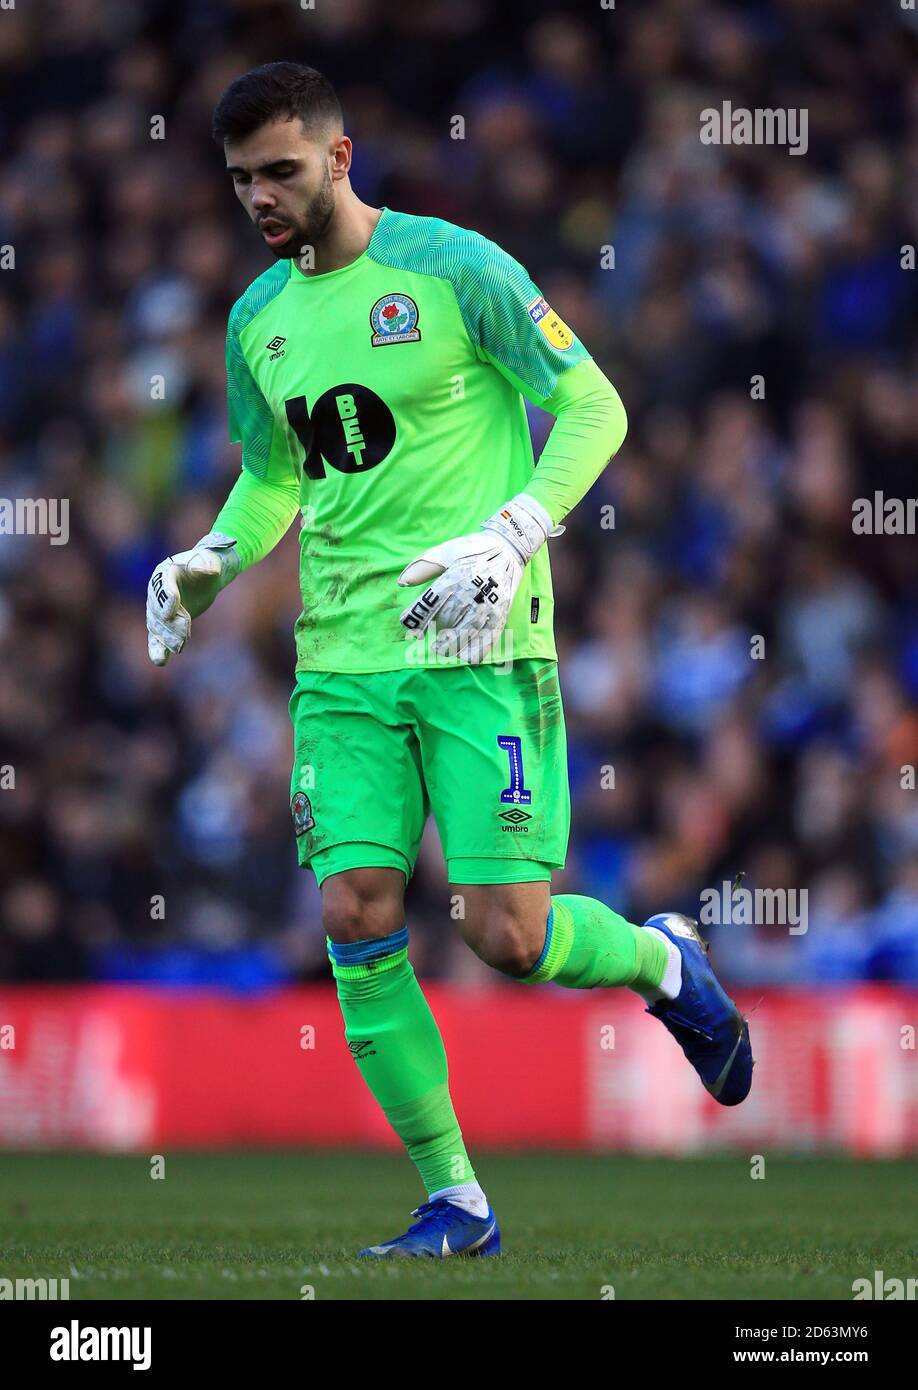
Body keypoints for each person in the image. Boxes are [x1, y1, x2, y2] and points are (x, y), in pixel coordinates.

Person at [145, 62, 753, 1259]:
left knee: (505, 935)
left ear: (339, 154)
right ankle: (456, 1198)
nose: (262, 197)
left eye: (282, 169)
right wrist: (214, 554)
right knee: (354, 908)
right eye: (241, 180)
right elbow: (279, 474)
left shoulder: (458, 267)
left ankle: (659, 960)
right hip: (341, 661)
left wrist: (514, 531)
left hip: (479, 639)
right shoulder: (256, 319)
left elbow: (596, 408)